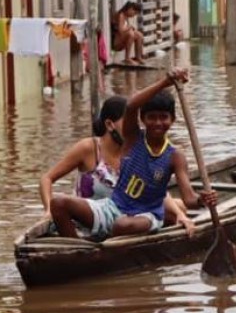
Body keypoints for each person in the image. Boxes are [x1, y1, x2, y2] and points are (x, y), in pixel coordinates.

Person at [49, 69, 216, 240]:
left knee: (122, 225)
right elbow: (131, 106)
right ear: (143, 119)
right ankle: (78, 250)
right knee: (58, 203)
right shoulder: (132, 137)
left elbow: (189, 199)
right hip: (113, 207)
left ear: (172, 120)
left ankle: (104, 249)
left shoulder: (175, 156)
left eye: (164, 117)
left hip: (147, 216)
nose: (158, 123)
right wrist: (165, 82)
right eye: (152, 117)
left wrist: (202, 200)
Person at [39, 96, 189, 231]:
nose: (134, 128)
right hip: (92, 216)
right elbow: (47, 178)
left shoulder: (136, 151)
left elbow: (155, 191)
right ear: (110, 125)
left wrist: (180, 214)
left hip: (126, 217)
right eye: (128, 124)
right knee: (58, 203)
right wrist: (48, 211)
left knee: (178, 206)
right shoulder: (88, 148)